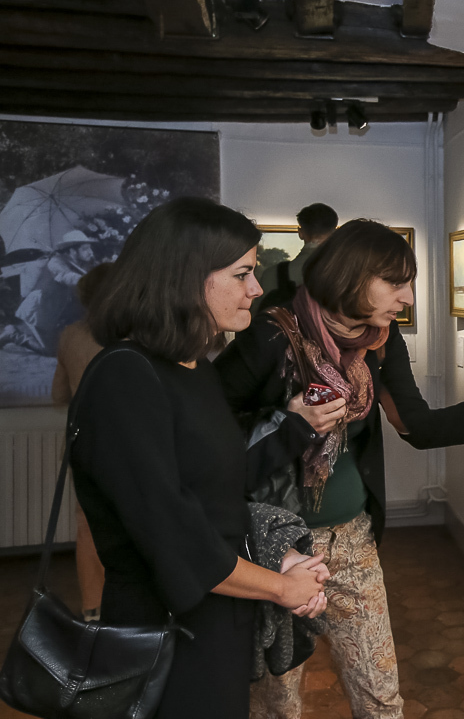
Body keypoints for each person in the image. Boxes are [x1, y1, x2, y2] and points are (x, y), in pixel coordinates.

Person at [216, 219, 464, 719]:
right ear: (351, 278)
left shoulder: (379, 338)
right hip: (276, 549)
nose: (409, 297)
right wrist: (291, 421)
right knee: (276, 706)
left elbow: (412, 423)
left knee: (380, 697)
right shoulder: (271, 335)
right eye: (396, 283)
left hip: (351, 538)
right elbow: (211, 440)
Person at [70, 197, 332, 719]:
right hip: (164, 634)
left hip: (214, 623)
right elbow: (173, 536)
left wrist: (278, 556)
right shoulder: (125, 377)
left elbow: (218, 490)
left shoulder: (194, 367)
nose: (256, 289)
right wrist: (282, 587)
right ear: (185, 278)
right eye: (241, 274)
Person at [50, 261, 112, 623]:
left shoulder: (70, 335)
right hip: (126, 445)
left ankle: (92, 608)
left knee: (87, 527)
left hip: (82, 443)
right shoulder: (133, 337)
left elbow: (59, 394)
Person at [255, 202, 339, 313]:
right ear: (335, 233)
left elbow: (255, 316)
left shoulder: (271, 275)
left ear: (300, 233)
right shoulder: (347, 272)